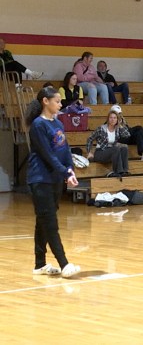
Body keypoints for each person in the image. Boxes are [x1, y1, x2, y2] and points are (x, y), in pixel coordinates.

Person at [24, 86, 80, 278]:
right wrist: (64, 171)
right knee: (50, 223)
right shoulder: (38, 125)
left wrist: (70, 169)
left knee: (43, 221)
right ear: (45, 102)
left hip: (55, 179)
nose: (60, 103)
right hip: (40, 179)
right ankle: (64, 264)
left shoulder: (57, 123)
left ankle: (40, 264)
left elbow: (64, 149)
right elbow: (47, 154)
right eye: (57, 101)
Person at [86, 111, 131, 178]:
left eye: (115, 118)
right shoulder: (101, 128)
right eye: (111, 118)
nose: (113, 120)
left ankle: (125, 171)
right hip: (100, 152)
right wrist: (89, 152)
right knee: (115, 149)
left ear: (117, 120)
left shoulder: (117, 129)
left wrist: (120, 125)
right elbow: (89, 139)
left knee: (124, 148)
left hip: (111, 152)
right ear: (108, 119)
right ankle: (118, 171)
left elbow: (127, 135)